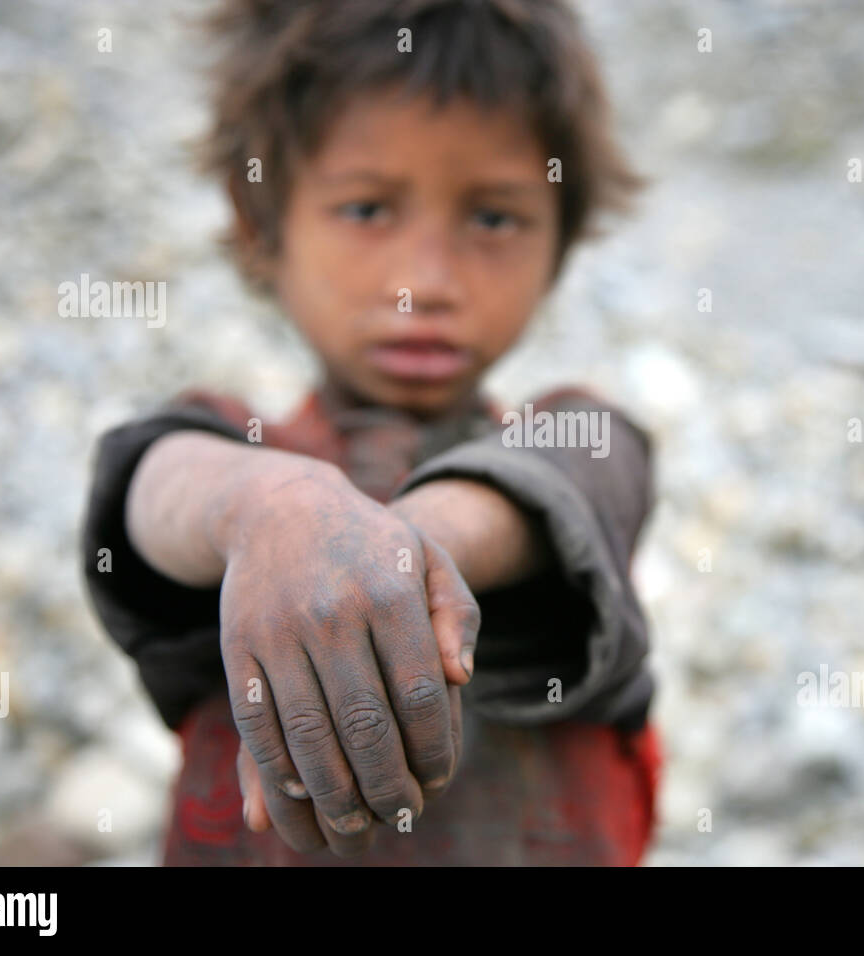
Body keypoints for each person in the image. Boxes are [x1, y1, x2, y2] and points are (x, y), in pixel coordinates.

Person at [81, 0, 662, 865]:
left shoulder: (582, 439)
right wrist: (269, 509)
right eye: (366, 209)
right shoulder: (228, 449)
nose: (424, 281)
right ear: (260, 227)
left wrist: (391, 556)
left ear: (560, 246)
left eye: (494, 218)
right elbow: (156, 479)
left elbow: (583, 477)